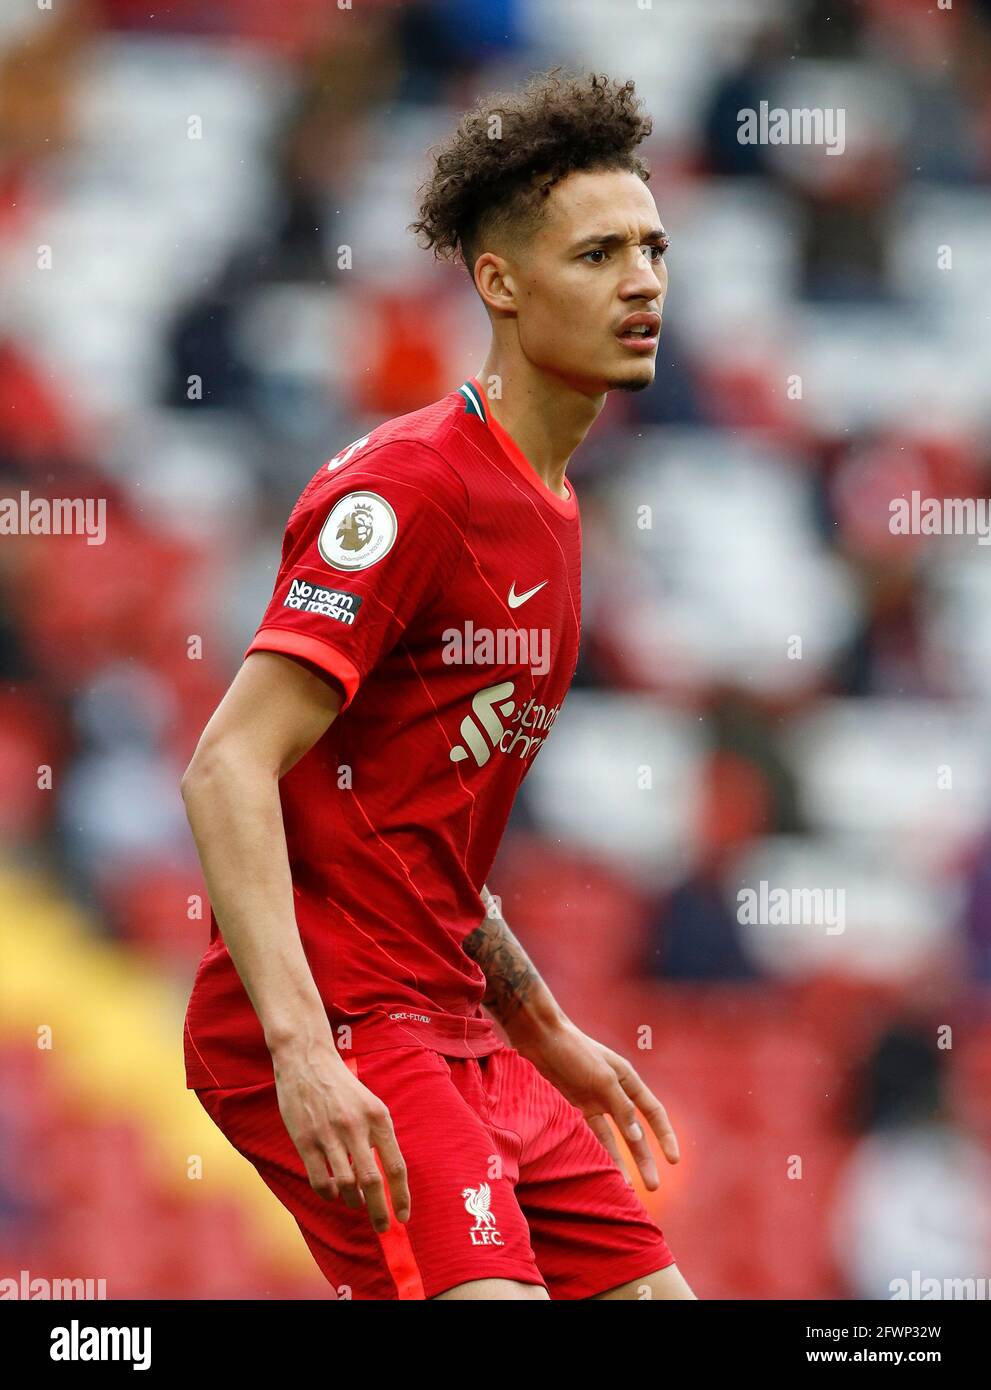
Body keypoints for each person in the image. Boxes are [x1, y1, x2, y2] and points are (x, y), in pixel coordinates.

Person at [181, 68, 695, 1301]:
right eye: (598, 254)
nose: (642, 280)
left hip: (458, 1023)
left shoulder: (559, 515)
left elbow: (419, 832)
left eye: (653, 246)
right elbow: (225, 766)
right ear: (500, 284)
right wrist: (304, 1050)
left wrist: (541, 1027)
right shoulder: (410, 491)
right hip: (347, 1022)